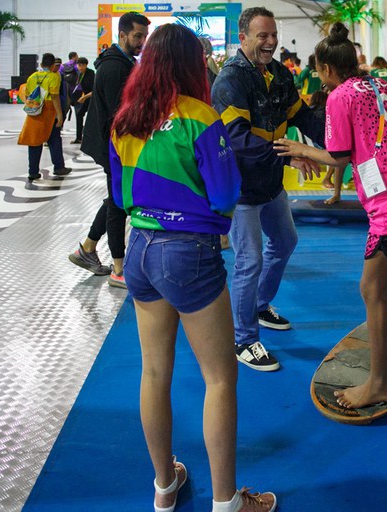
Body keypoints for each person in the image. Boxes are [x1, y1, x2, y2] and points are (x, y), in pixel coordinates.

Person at [110, 23, 276, 512]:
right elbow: (226, 194)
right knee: (221, 378)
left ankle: (164, 486)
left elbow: (121, 197)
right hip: (189, 252)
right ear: (190, 63)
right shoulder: (200, 117)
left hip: (139, 247)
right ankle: (226, 502)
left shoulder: (126, 119)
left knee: (154, 372)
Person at [274, 22, 387, 409]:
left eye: (318, 71)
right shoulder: (377, 84)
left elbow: (339, 157)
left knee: (370, 288)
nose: (317, 77)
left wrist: (298, 151)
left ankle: (379, 383)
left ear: (327, 69)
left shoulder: (338, 96)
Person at [211, 7, 324, 372]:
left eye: (273, 35)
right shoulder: (230, 80)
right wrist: (291, 157)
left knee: (286, 241)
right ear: (243, 38)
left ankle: (260, 305)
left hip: (271, 185)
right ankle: (243, 340)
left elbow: (302, 117)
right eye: (263, 36)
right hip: (242, 190)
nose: (271, 42)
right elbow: (238, 140)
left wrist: (339, 141)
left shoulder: (278, 75)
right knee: (249, 261)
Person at [69, 11, 150, 285]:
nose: (141, 42)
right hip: (113, 146)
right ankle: (118, 270)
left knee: (116, 199)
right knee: (117, 203)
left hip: (115, 144)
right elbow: (122, 113)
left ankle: (88, 249)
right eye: (138, 36)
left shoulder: (123, 62)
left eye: (145, 37)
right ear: (123, 34)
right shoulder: (116, 67)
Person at [17, 52, 72, 181]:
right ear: (53, 65)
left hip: (34, 110)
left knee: (34, 141)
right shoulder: (54, 77)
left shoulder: (32, 77)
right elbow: (54, 97)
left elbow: (28, 93)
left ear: (41, 64)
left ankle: (33, 171)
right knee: (54, 140)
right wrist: (59, 114)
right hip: (49, 112)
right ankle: (58, 167)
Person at [70, 57, 95, 144]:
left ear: (86, 65)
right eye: (79, 65)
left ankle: (92, 138)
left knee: (92, 118)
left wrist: (84, 97)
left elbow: (94, 90)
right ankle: (78, 138)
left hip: (93, 98)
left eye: (82, 65)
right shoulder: (80, 74)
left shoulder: (91, 73)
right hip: (87, 97)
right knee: (79, 114)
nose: (80, 67)